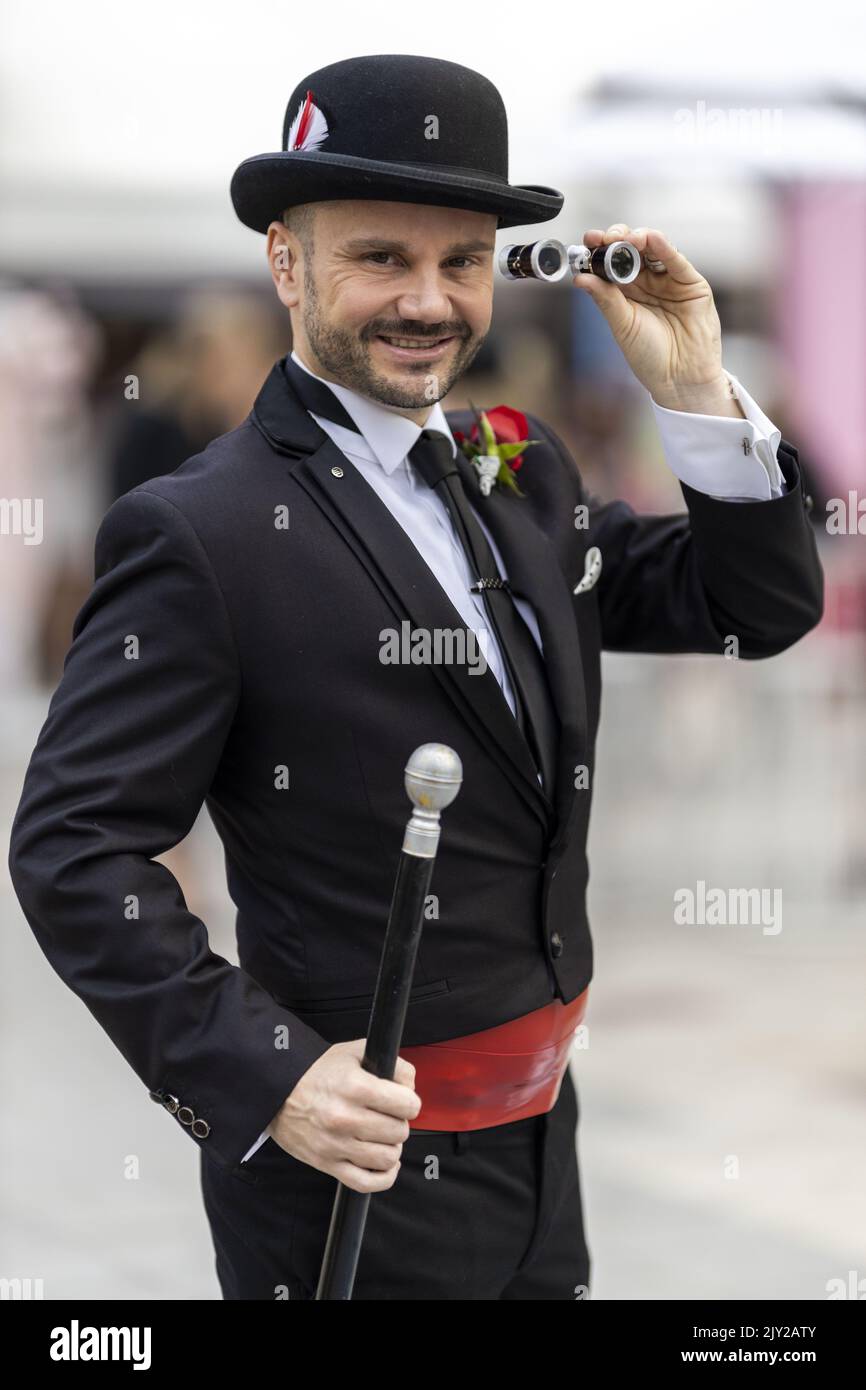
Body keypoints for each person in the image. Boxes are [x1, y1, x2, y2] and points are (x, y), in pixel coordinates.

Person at [8, 53, 823, 1301]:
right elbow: (73, 847)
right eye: (380, 257)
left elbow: (750, 606)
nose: (427, 302)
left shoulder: (520, 467)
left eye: (461, 262)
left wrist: (694, 391)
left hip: (543, 1149)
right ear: (287, 263)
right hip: (354, 1181)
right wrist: (267, 1072)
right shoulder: (202, 531)